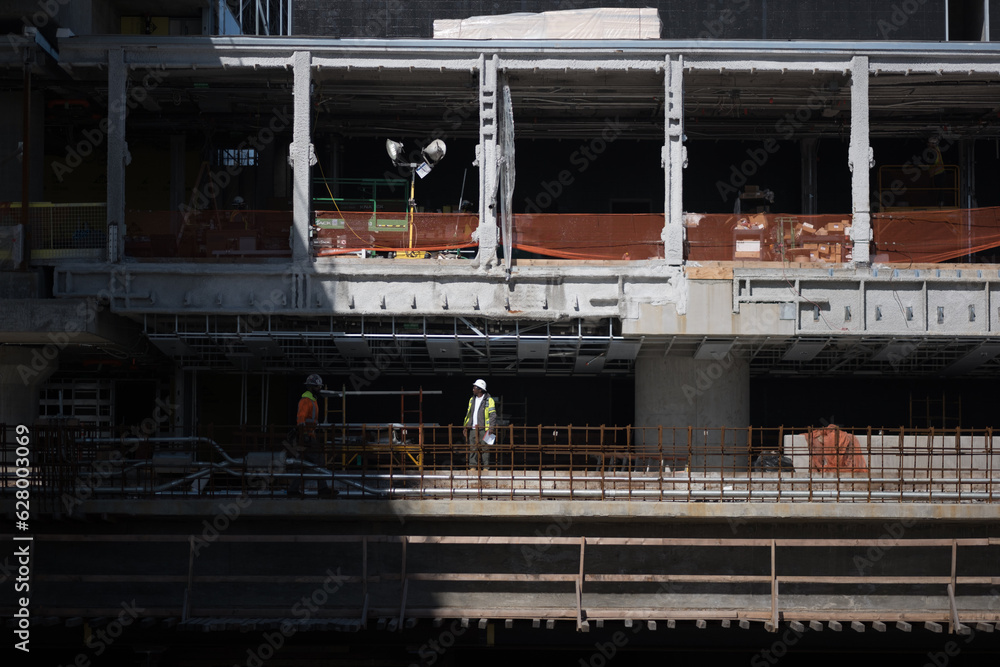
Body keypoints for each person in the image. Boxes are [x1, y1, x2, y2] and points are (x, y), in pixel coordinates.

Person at [288, 374, 338, 497]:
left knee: (300, 464)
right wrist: (304, 435)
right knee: (319, 460)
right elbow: (301, 418)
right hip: (307, 437)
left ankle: (293, 490)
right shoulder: (306, 401)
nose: (319, 389)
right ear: (311, 387)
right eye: (317, 387)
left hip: (307, 436)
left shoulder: (311, 400)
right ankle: (322, 489)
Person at [462, 378, 497, 470]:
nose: (473, 389)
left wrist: (491, 428)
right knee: (473, 448)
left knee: (485, 448)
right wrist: (466, 427)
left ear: (480, 389)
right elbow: (468, 414)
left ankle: (485, 467)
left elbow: (493, 415)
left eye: (475, 387)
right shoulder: (471, 400)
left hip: (484, 428)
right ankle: (472, 467)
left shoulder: (489, 400)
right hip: (473, 428)